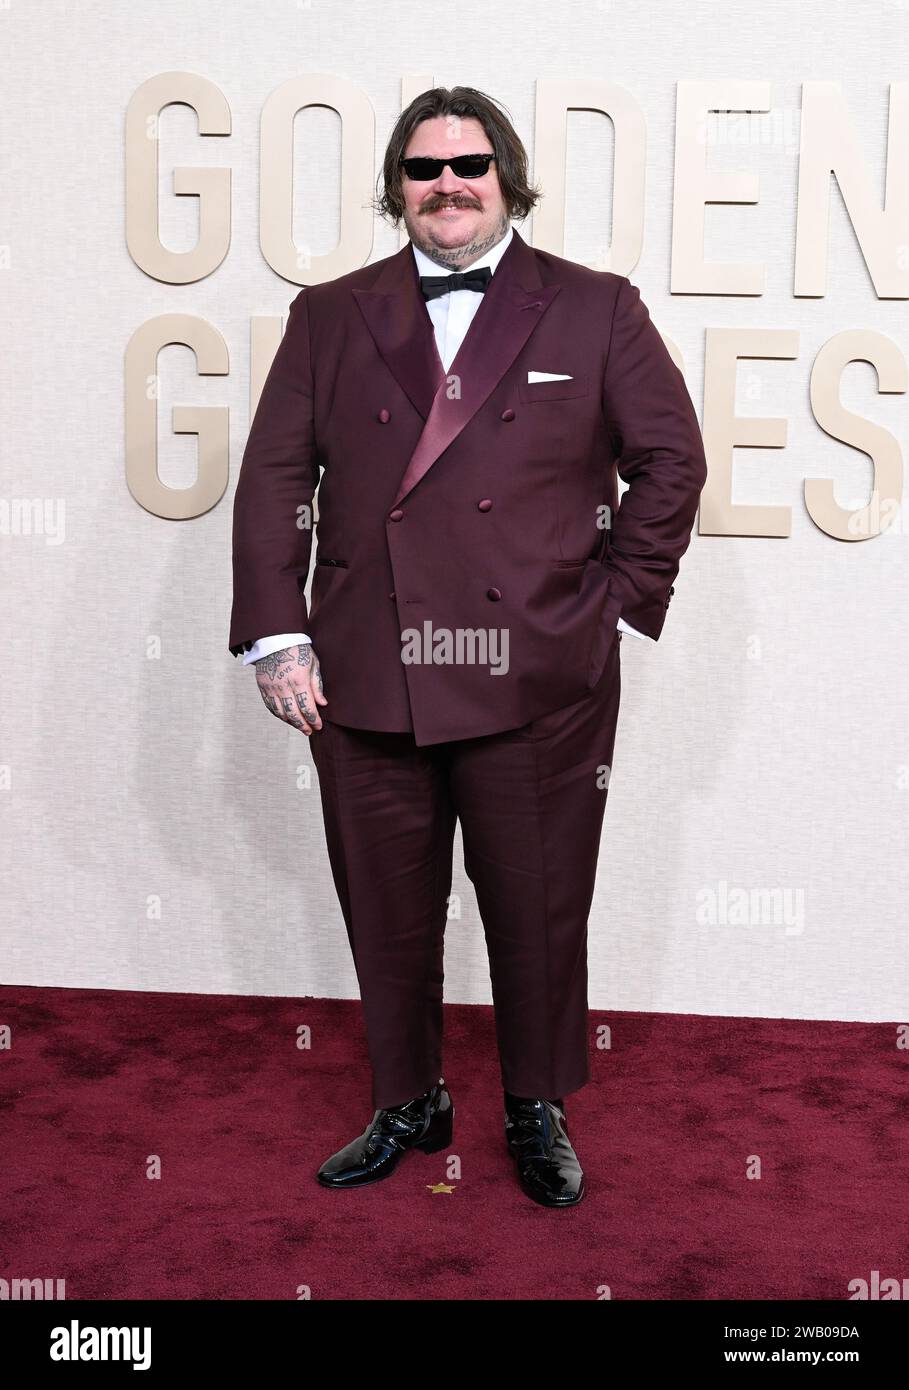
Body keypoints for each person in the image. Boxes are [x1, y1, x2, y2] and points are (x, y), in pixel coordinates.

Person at [229, 86, 707, 1207]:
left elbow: (671, 461)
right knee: (384, 897)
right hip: (362, 665)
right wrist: (278, 634)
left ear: (509, 177)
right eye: (425, 166)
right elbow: (274, 480)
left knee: (538, 901)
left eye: (472, 163)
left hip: (538, 669)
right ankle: (409, 1098)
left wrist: (612, 605)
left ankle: (535, 1106)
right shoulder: (331, 314)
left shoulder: (596, 308)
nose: (449, 183)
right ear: (397, 185)